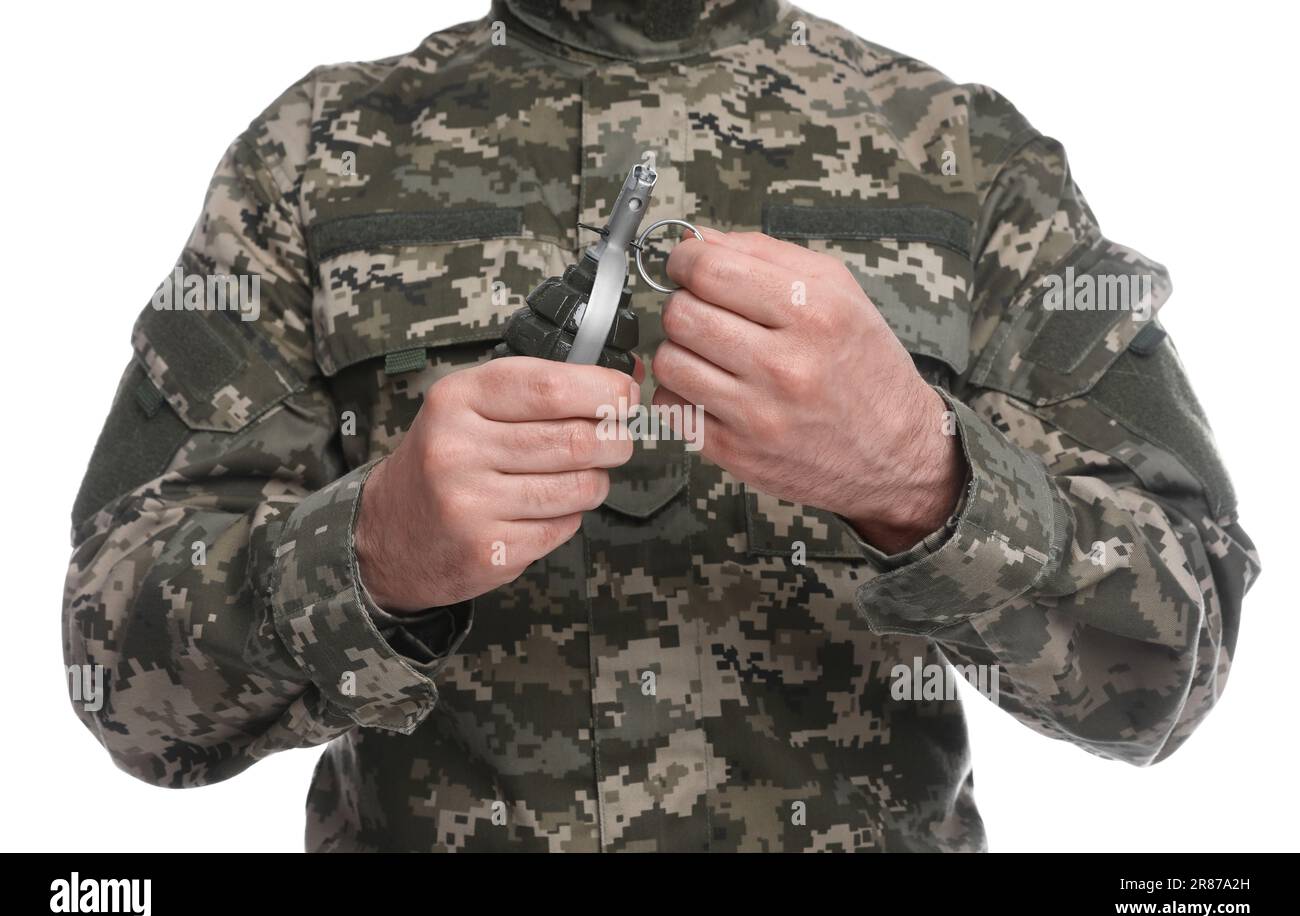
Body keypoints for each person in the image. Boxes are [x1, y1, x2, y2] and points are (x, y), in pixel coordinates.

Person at [64, 0, 1258, 852]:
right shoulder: (312, 155)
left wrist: (924, 480)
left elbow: (1171, 669)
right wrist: (369, 554)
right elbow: (118, 676)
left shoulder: (970, 161)